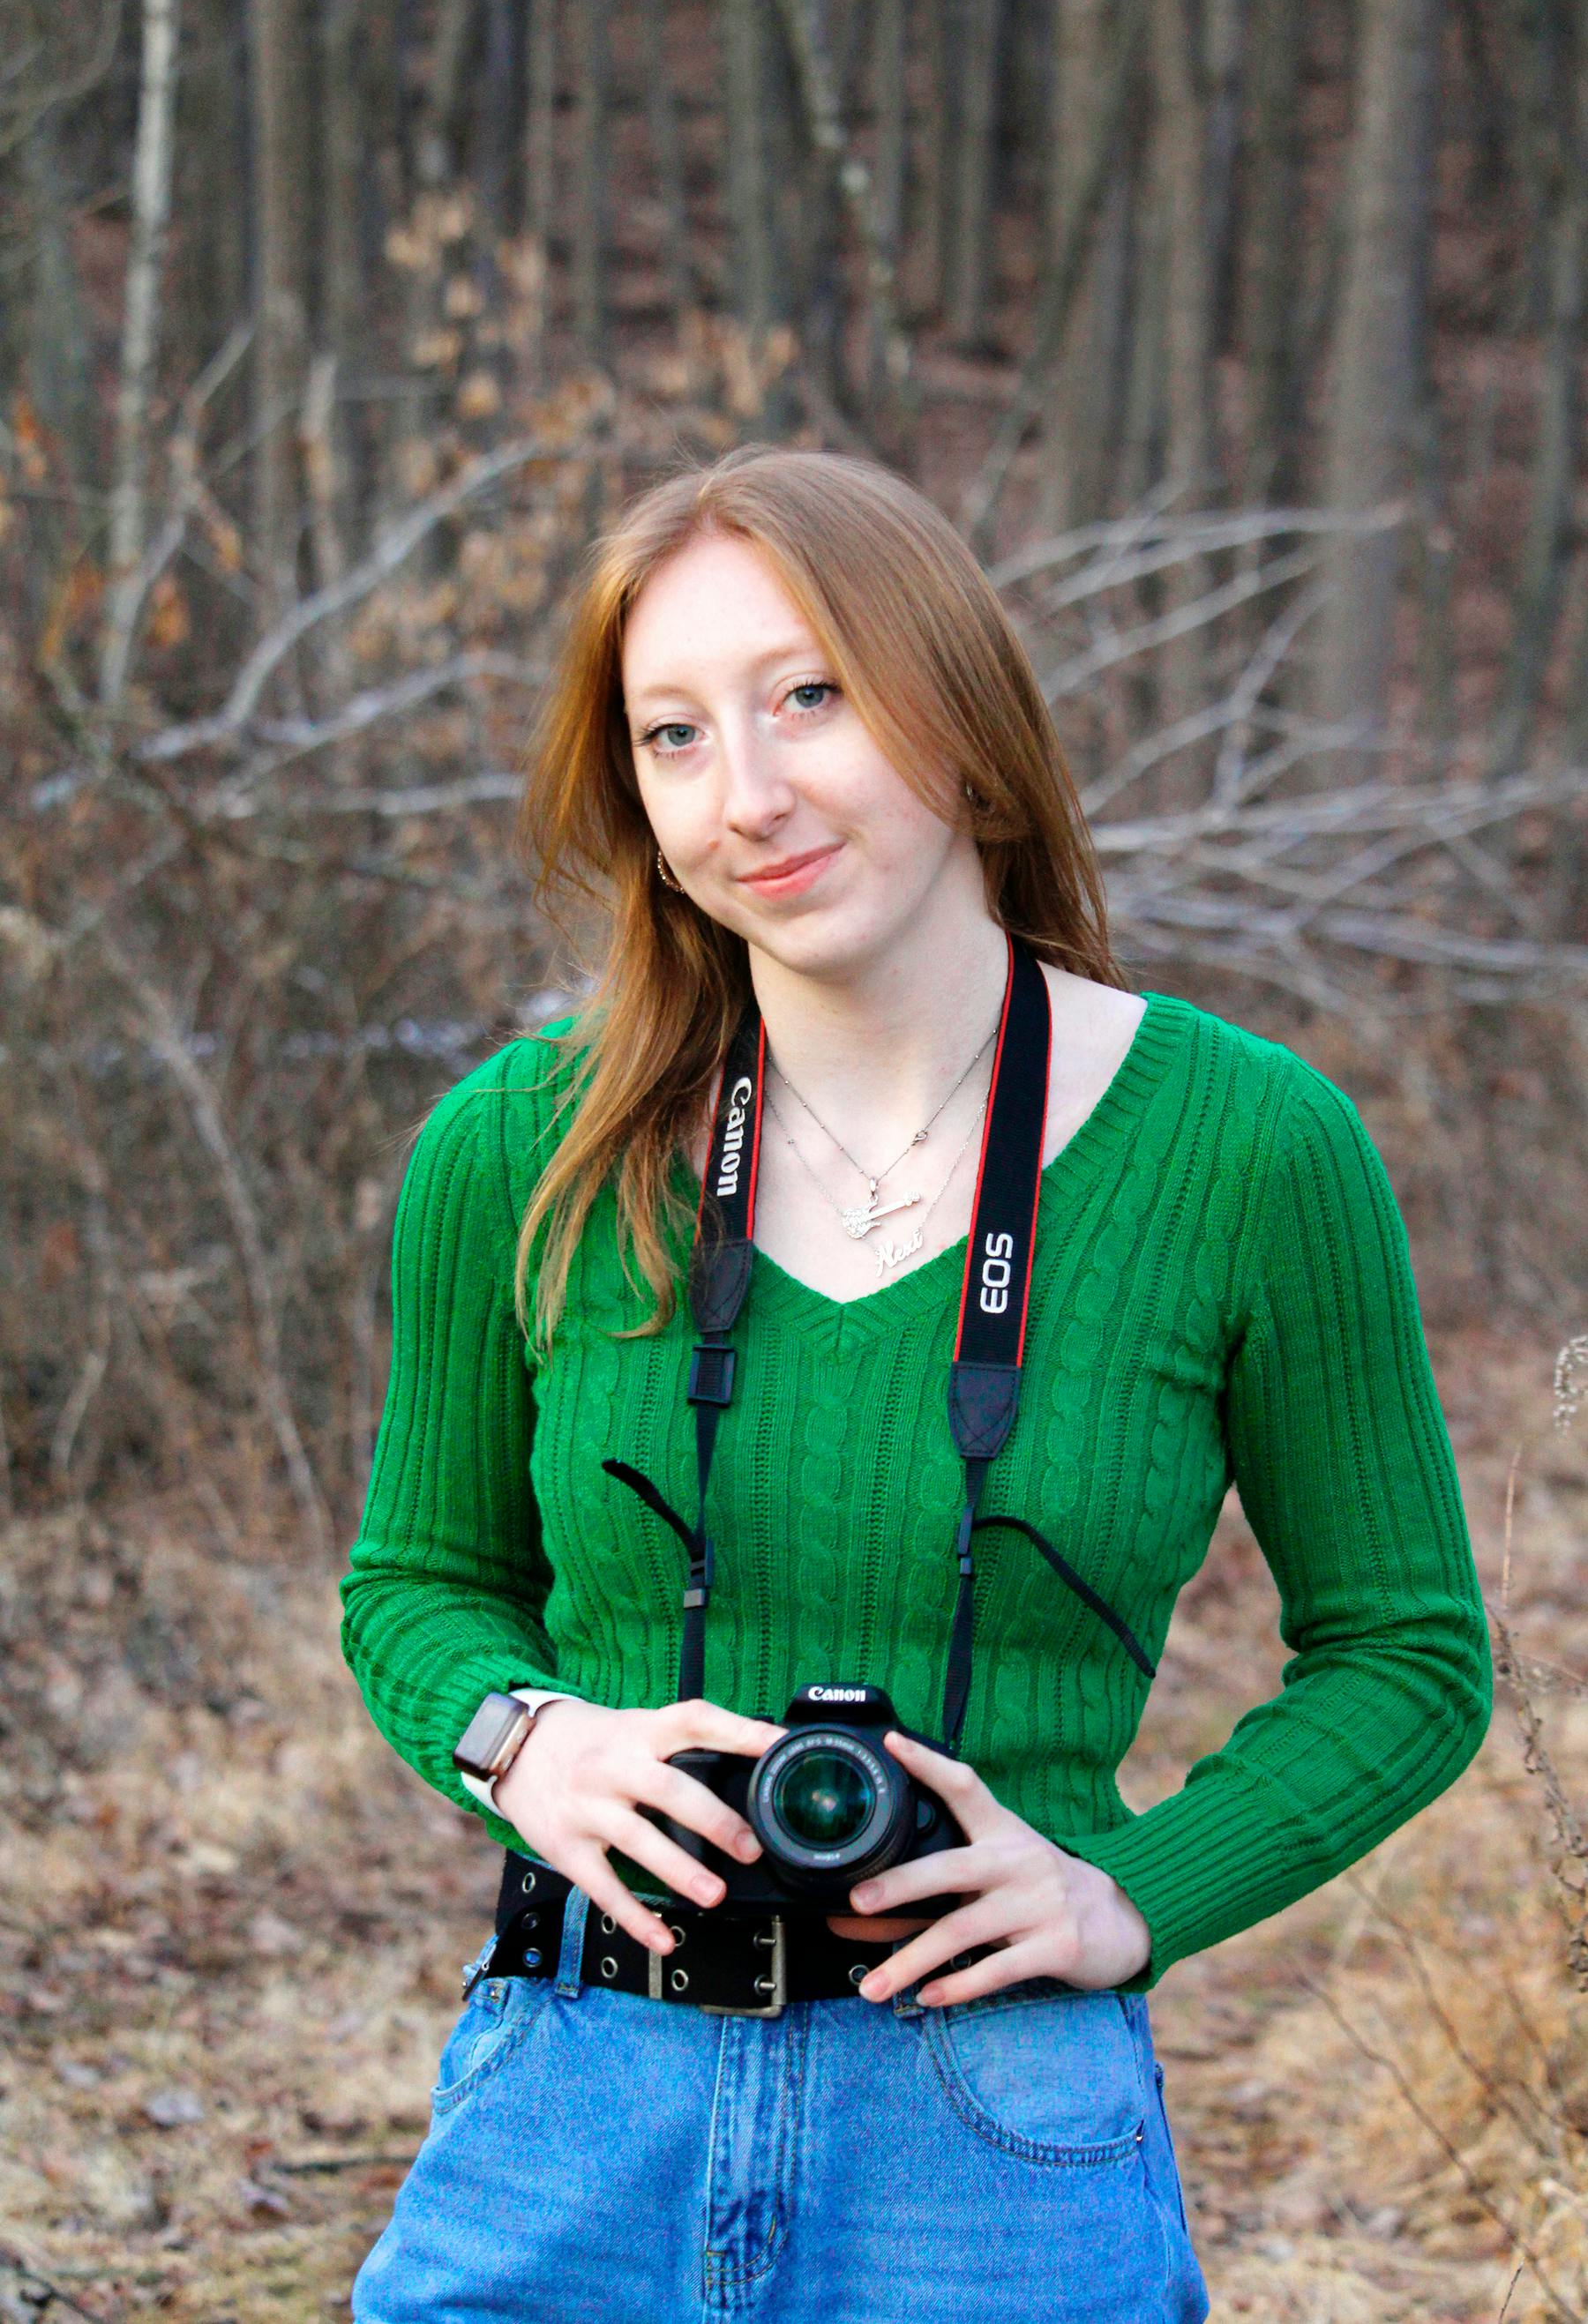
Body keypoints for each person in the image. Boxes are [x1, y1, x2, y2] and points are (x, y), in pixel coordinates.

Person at [340, 445, 1492, 2323]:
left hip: (1003, 2119)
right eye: (676, 736)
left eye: (811, 696)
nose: (753, 794)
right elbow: (413, 1586)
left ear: (957, 711)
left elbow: (1413, 1655)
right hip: (573, 2086)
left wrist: (1134, 1894)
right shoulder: (518, 1148)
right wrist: (523, 1741)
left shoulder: (1252, 1152)